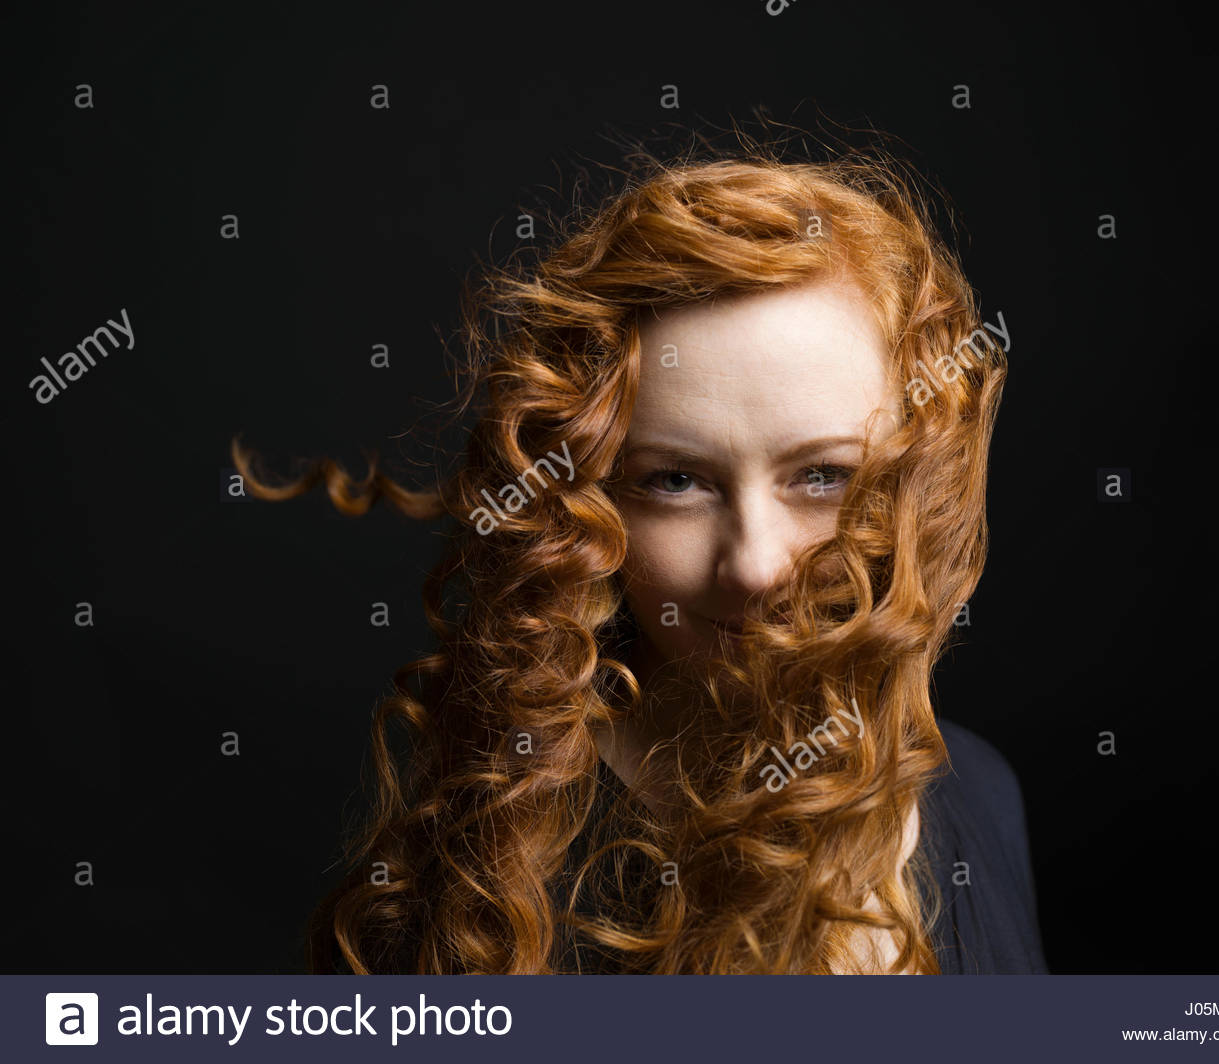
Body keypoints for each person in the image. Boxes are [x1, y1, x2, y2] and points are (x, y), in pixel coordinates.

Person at [231, 143, 1048, 975]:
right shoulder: (490, 872)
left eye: (822, 476)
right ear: (586, 499)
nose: (756, 567)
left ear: (914, 481)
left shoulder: (978, 790)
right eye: (676, 480)